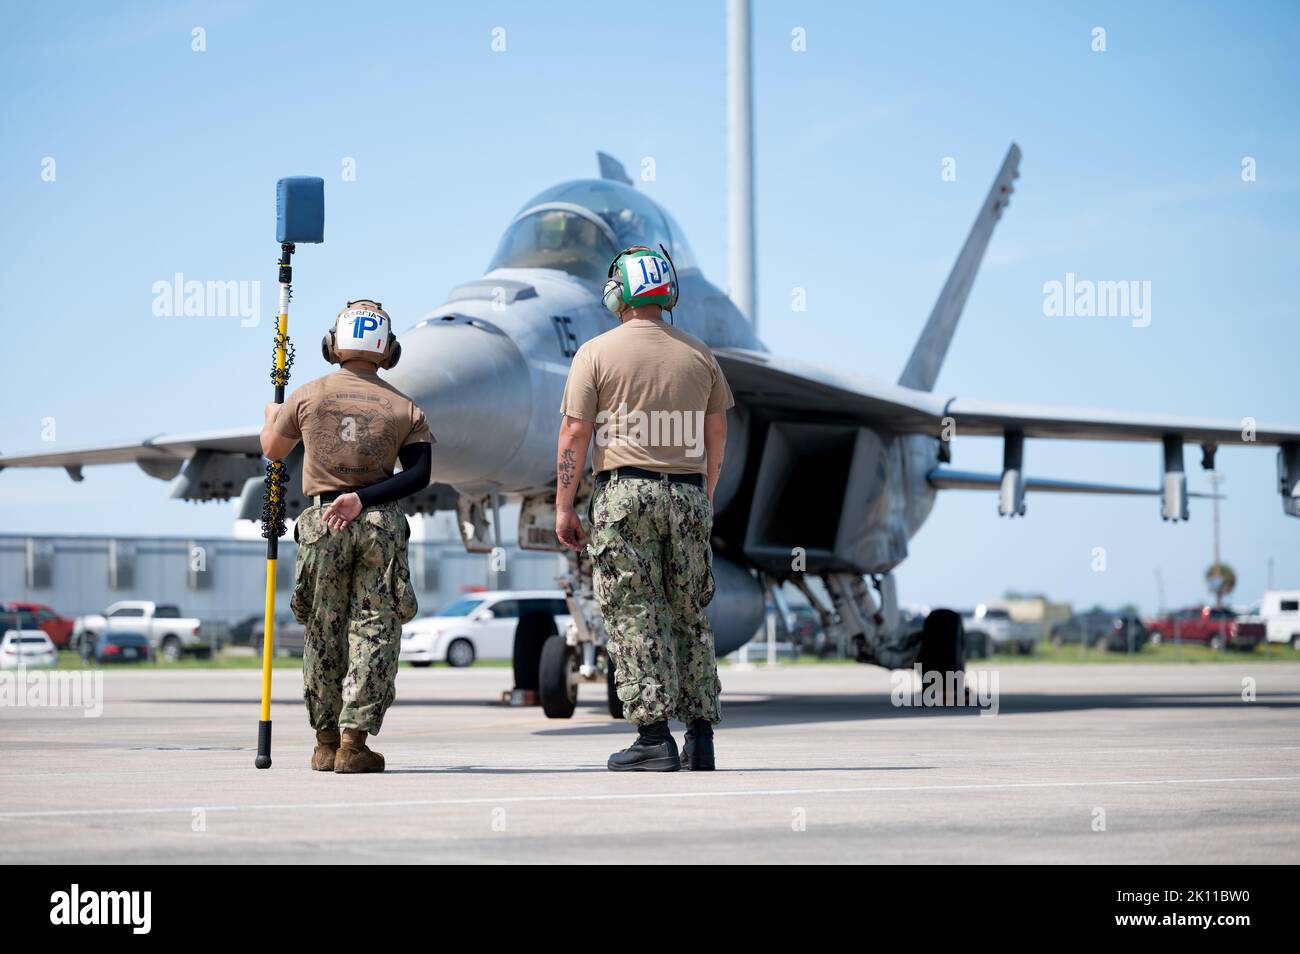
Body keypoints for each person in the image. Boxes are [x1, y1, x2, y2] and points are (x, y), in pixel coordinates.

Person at [555, 246, 733, 771]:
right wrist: (705, 492)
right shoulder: (700, 354)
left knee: (635, 614)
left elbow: (574, 433)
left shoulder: (595, 353)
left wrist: (566, 506)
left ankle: (653, 739)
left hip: (625, 496)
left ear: (619, 291)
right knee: (690, 616)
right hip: (686, 495)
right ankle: (700, 738)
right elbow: (716, 429)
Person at [260, 299, 433, 774]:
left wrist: (269, 417)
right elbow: (419, 475)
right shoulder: (404, 406)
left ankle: (323, 742)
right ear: (388, 350)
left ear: (332, 345)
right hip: (378, 524)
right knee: (373, 630)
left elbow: (273, 451)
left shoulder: (307, 395)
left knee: (322, 629)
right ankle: (354, 746)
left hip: (321, 526)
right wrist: (365, 497)